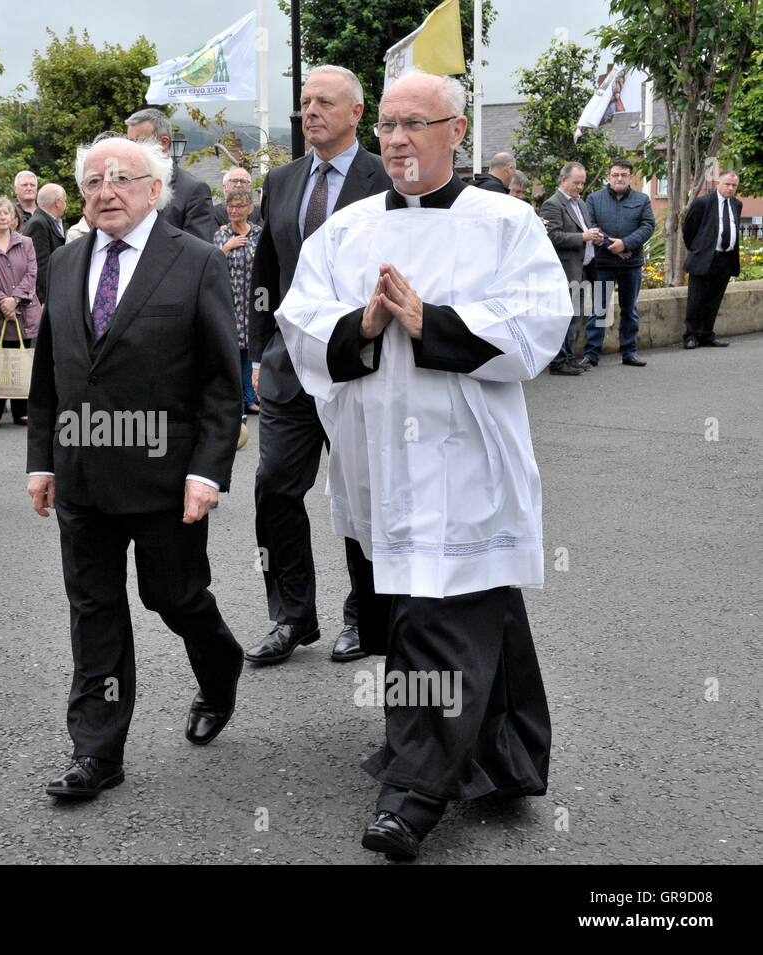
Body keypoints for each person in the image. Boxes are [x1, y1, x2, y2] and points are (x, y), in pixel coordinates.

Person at [276, 71, 568, 860]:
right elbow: (301, 324)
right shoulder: (345, 230)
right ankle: (505, 749)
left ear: (456, 131)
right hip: (380, 463)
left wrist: (430, 321)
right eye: (390, 126)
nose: (397, 139)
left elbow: (543, 320)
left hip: (466, 463)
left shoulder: (505, 221)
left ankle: (411, 792)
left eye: (415, 123)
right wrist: (361, 324)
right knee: (450, 609)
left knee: (442, 616)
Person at [27, 135, 243, 800]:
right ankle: (96, 750)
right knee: (93, 606)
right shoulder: (63, 263)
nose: (105, 191)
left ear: (155, 190)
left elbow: (220, 383)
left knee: (172, 595)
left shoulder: (196, 262)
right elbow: (49, 374)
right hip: (83, 473)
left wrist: (207, 472)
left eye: (122, 178)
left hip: (163, 475)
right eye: (93, 180)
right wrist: (41, 459)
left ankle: (219, 663)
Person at [247, 64, 389, 667]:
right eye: (305, 102)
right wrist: (258, 352)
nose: (310, 112)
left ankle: (364, 615)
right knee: (275, 486)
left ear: (356, 112)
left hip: (359, 362)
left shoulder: (384, 177)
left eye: (324, 103)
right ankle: (292, 616)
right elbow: (266, 272)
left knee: (362, 494)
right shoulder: (280, 181)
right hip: (288, 364)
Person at [583, 159, 656, 367]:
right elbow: (591, 225)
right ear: (609, 176)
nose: (619, 178)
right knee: (599, 310)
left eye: (624, 175)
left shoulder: (642, 200)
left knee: (629, 309)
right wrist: (611, 246)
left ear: (630, 178)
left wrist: (626, 244)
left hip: (631, 264)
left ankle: (629, 352)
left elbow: (648, 226)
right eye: (615, 174)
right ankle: (591, 354)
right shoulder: (594, 199)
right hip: (603, 263)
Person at [0, 194, 40, 428]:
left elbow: (32, 273)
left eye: (6, 212)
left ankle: (22, 410)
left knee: (21, 361)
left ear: (13, 217)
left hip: (24, 312)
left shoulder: (26, 242)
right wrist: (2, 301)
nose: (3, 217)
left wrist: (15, 300)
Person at [541, 162, 604, 376]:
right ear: (563, 180)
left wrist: (595, 236)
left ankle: (569, 358)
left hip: (584, 269)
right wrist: (584, 237)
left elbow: (583, 230)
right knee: (565, 318)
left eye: (582, 183)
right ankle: (558, 362)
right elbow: (552, 236)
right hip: (565, 271)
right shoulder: (553, 204)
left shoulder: (581, 203)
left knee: (576, 317)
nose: (579, 187)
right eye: (576, 183)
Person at [214, 186, 262, 441]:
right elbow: (210, 264)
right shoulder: (221, 235)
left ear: (250, 209)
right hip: (230, 300)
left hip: (252, 300)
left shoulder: (258, 234)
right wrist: (227, 247)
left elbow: (266, 263)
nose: (233, 211)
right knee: (233, 351)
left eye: (239, 206)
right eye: (230, 207)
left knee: (250, 351)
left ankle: (250, 399)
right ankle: (239, 406)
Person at [125, 108, 214, 240]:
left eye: (139, 142)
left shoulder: (194, 191)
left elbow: (198, 254)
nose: (132, 149)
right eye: (129, 143)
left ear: (163, 143)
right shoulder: (124, 185)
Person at [681, 169, 741, 349]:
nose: (730, 188)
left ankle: (707, 334)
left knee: (714, 300)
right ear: (718, 184)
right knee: (696, 299)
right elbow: (688, 230)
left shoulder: (737, 204)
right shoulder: (703, 203)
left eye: (734, 185)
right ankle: (691, 335)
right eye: (727, 184)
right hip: (704, 258)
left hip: (726, 260)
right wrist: (699, 249)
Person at [19, 183, 66, 306]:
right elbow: (40, 265)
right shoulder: (38, 224)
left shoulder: (47, 221)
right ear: (57, 202)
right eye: (65, 201)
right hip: (43, 298)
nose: (66, 205)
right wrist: (45, 298)